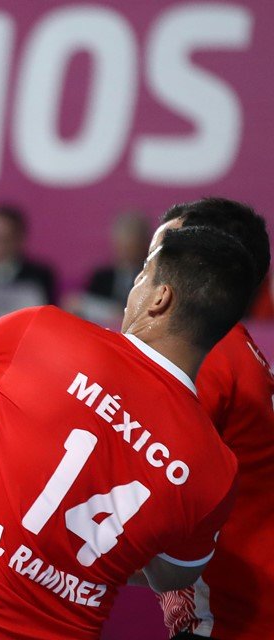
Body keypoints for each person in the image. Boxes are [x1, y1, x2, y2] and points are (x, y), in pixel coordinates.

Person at [0, 224, 255, 639]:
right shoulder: (216, 470)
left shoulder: (43, 331)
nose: (133, 290)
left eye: (142, 276)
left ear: (160, 298)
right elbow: (169, 576)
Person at [151, 198, 274, 640]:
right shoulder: (233, 351)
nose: (145, 278)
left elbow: (142, 503)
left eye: (159, 258)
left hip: (229, 619)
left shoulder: (207, 359)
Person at [66, 210, 151, 326]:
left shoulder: (151, 276)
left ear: (145, 243)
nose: (126, 249)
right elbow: (86, 303)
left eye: (131, 240)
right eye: (122, 241)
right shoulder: (101, 276)